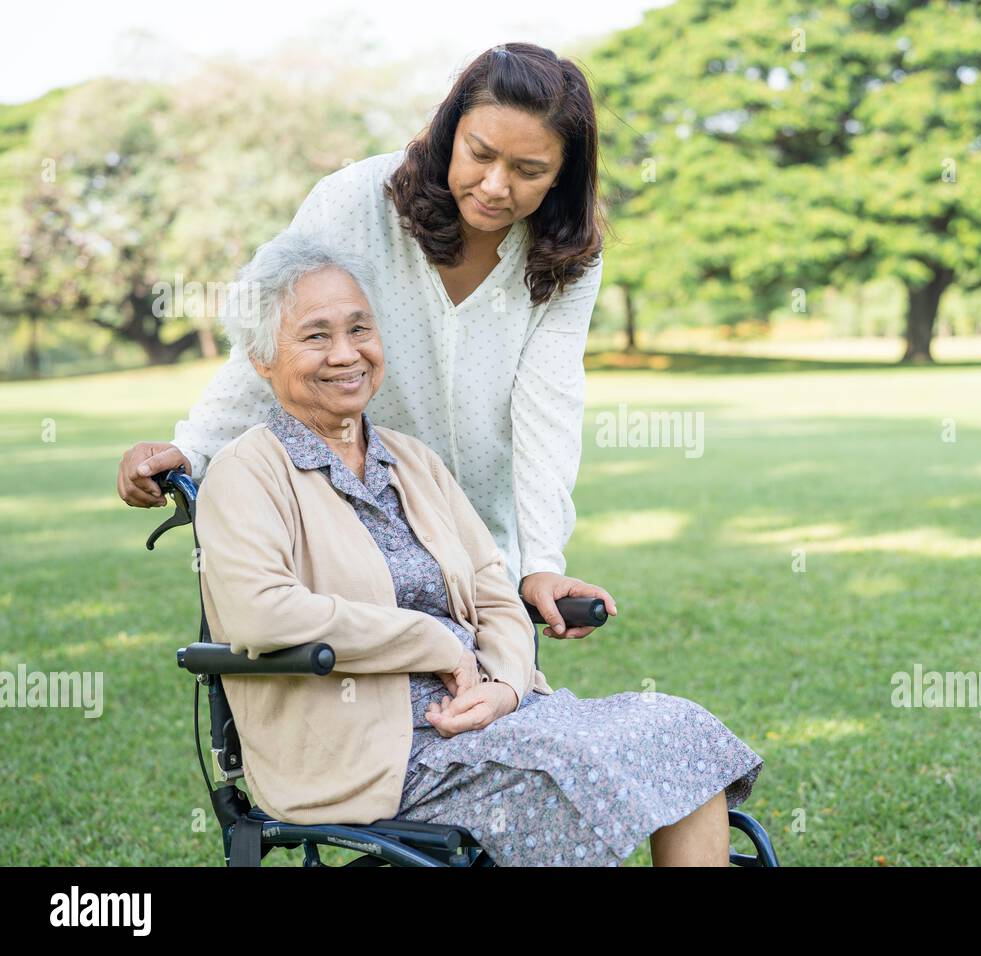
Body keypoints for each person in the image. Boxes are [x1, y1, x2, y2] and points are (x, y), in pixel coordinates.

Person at [194, 231, 763, 866]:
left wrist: (507, 688)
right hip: (368, 752)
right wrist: (431, 640)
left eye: (360, 329)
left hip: (487, 716)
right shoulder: (246, 473)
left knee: (671, 726)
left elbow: (495, 593)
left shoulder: (412, 463)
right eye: (316, 336)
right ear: (262, 358)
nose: (347, 354)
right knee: (568, 772)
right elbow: (261, 613)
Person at [117, 42, 611, 637]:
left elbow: (548, 405)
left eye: (530, 171)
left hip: (482, 544)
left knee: (499, 701)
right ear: (449, 131)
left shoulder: (568, 255)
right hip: (357, 527)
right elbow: (273, 339)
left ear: (563, 176)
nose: (494, 186)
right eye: (479, 154)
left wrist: (540, 566)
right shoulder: (355, 200)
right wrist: (193, 447)